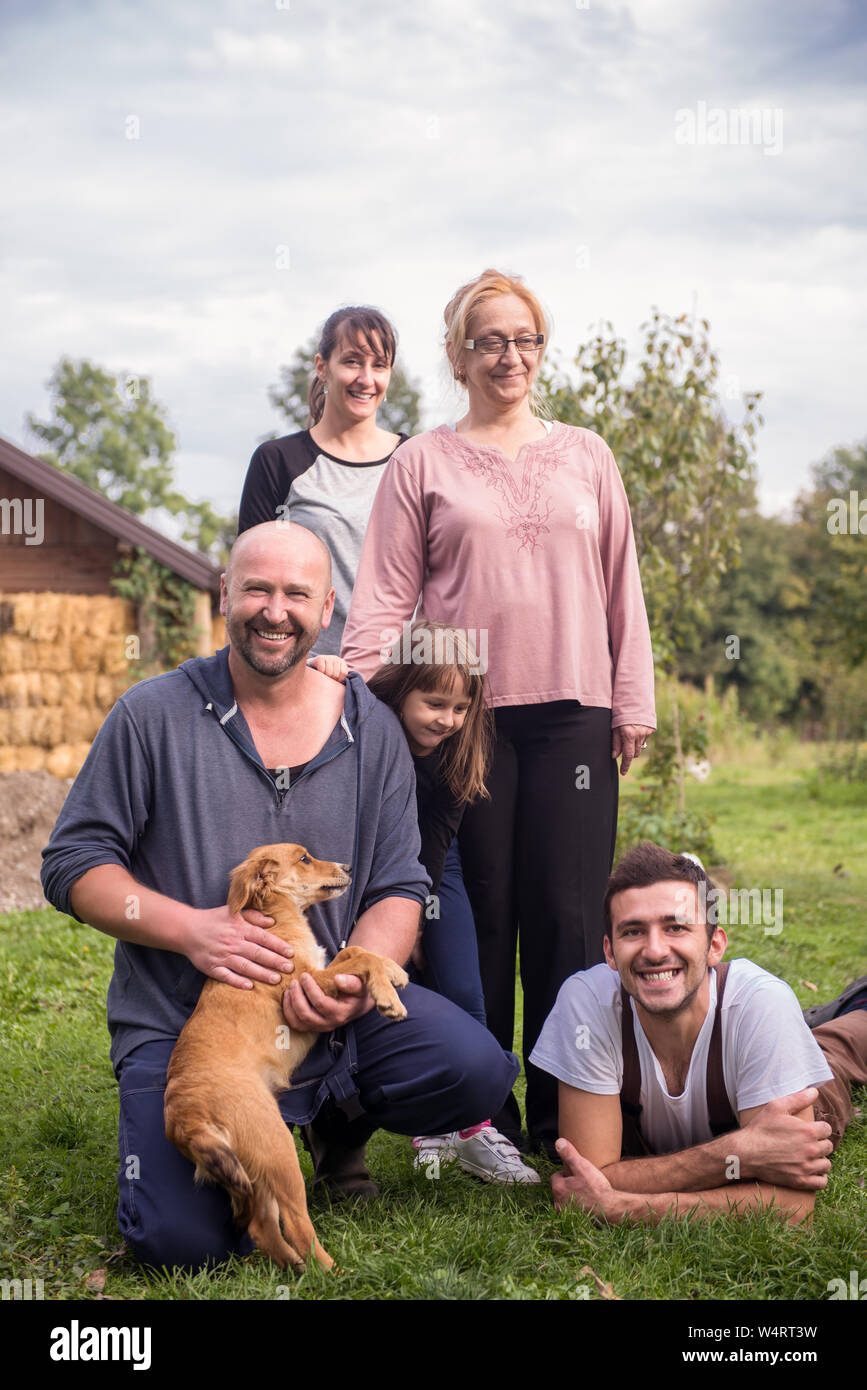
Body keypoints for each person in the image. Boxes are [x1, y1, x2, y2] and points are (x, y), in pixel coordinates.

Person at [40, 521, 519, 1269]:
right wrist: (192, 930)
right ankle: (244, 1141)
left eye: (296, 593)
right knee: (180, 1244)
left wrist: (357, 990)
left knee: (477, 1068)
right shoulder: (150, 715)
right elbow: (72, 863)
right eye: (256, 588)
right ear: (225, 593)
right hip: (187, 1029)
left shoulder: (373, 731)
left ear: (327, 608)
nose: (274, 610)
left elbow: (400, 884)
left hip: (325, 1013)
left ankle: (336, 1120)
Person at [341, 268, 656, 1158]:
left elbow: (619, 585)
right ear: (457, 354)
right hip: (459, 714)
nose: (508, 354)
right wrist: (361, 701)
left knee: (563, 916)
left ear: (539, 348)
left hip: (573, 713)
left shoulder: (587, 454)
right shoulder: (423, 460)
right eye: (489, 339)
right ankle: (484, 1120)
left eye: (524, 338)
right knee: (475, 917)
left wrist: (631, 696)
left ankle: (564, 1117)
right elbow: (385, 594)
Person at [530, 842, 867, 1224]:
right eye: (633, 931)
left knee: (839, 1047)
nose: (654, 951)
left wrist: (624, 1206)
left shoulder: (762, 1001)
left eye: (676, 927)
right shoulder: (586, 1002)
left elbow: (792, 1207)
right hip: (749, 1059)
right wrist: (741, 1152)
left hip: (799, 1057)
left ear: (714, 945)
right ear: (609, 951)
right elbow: (591, 1176)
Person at [313, 620, 539, 1183]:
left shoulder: (456, 751)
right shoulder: (362, 717)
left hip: (434, 867)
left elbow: (436, 838)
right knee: (375, 977)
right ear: (401, 688)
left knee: (464, 985)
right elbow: (327, 684)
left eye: (461, 708)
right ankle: (411, 1124)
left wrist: (411, 919)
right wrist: (326, 668)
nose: (447, 719)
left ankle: (471, 1125)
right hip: (362, 860)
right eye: (434, 702)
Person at [238, 306, 408, 655]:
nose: (366, 378)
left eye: (379, 365)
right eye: (351, 362)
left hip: (401, 677)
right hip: (308, 674)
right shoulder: (278, 461)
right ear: (322, 367)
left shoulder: (414, 459)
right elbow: (250, 580)